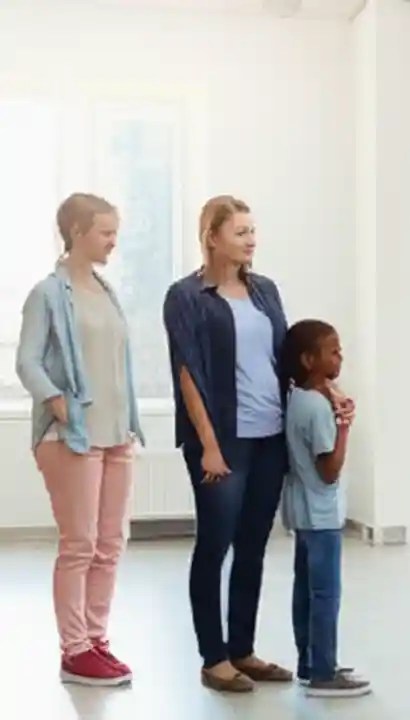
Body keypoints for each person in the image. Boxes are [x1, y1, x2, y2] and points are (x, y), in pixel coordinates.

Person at [162, 195, 293, 692]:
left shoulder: (265, 292)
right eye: (240, 231)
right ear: (212, 237)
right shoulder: (186, 296)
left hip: (269, 437)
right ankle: (213, 658)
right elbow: (187, 373)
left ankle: (243, 649)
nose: (251, 239)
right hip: (222, 440)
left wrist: (329, 393)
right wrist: (209, 445)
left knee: (254, 547)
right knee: (215, 545)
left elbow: (287, 357)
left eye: (253, 231)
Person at [17, 193, 144, 686]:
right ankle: (73, 650)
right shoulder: (48, 293)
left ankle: (96, 639)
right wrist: (57, 401)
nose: (114, 240)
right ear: (76, 232)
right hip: (70, 437)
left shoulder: (106, 291)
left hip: (116, 435)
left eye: (115, 231)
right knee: (80, 544)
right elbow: (27, 361)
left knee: (111, 543)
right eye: (105, 232)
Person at [278, 319, 369, 698]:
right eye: (333, 351)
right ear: (308, 358)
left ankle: (309, 662)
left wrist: (333, 397)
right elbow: (329, 471)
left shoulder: (300, 397)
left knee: (306, 589)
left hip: (302, 512)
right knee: (326, 594)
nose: (340, 356)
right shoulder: (318, 409)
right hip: (323, 516)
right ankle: (324, 671)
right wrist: (345, 427)